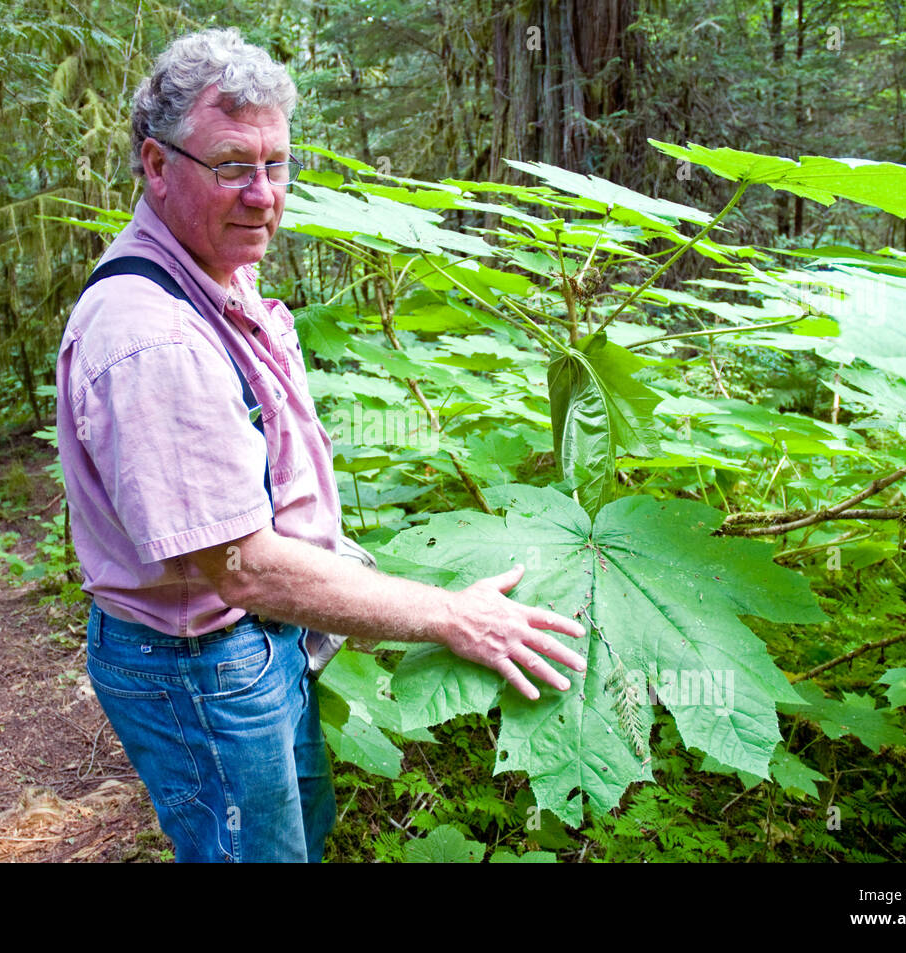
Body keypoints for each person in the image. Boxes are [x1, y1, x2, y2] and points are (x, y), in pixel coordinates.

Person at [55, 27, 587, 863]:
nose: (263, 194)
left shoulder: (216, 271)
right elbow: (243, 565)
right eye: (231, 165)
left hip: (266, 644)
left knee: (299, 839)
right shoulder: (152, 338)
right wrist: (448, 615)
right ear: (157, 167)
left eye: (276, 164)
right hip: (203, 670)